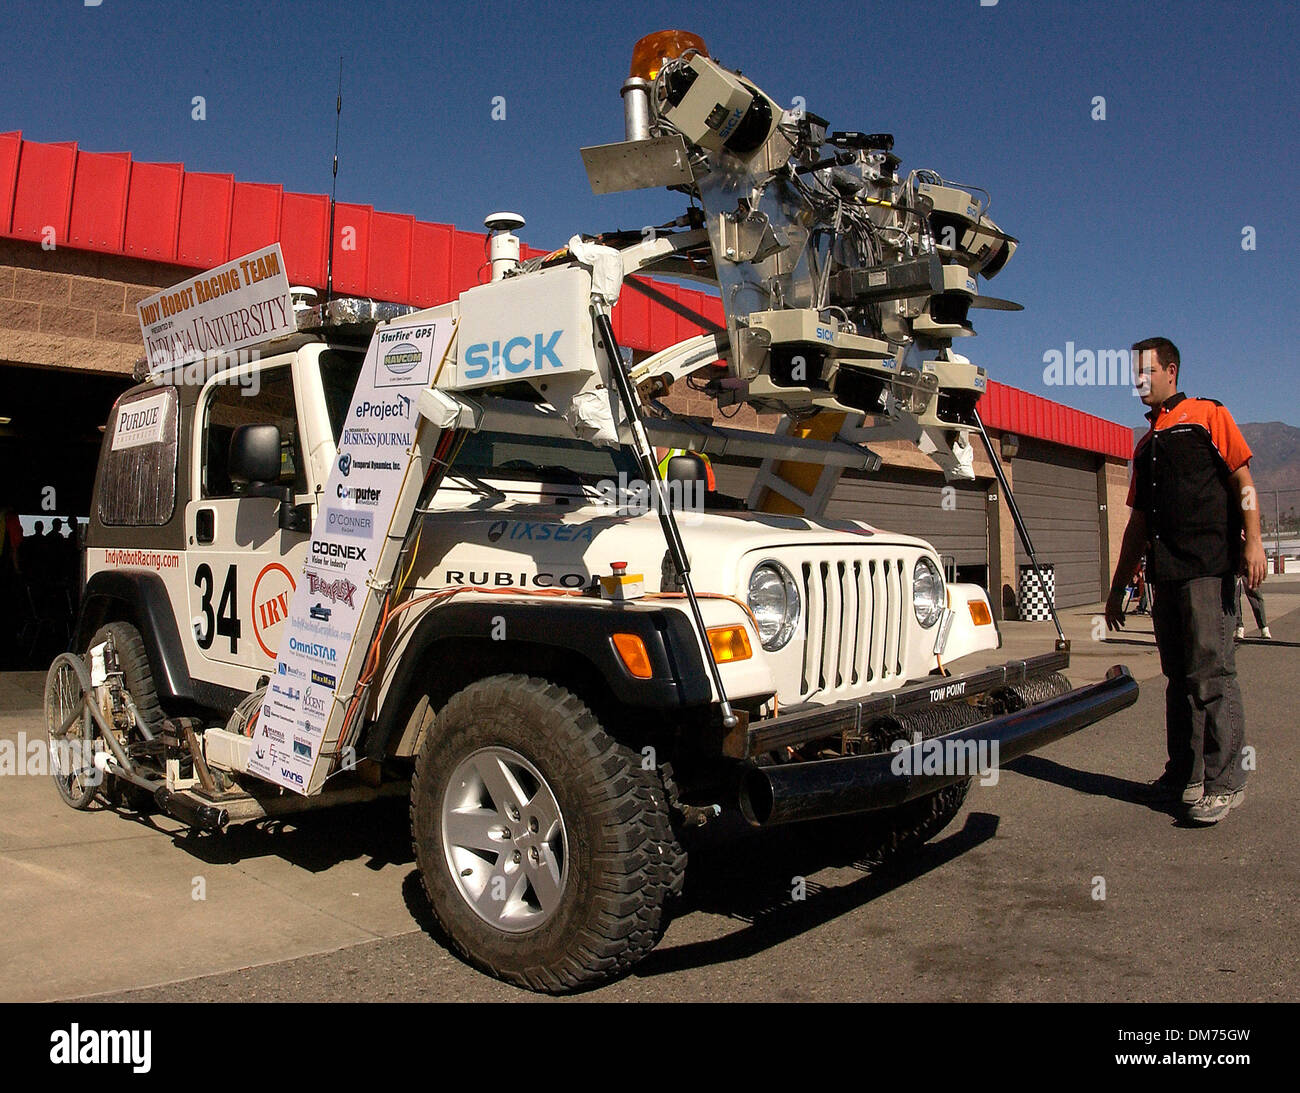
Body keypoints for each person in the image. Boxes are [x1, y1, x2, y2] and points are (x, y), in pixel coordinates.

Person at [1105, 337, 1265, 825]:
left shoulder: (1208, 416)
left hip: (1207, 567)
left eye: (1144, 373)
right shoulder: (1146, 444)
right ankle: (1184, 776)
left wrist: (1254, 542)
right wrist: (1117, 587)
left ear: (1170, 371)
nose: (1137, 383)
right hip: (1165, 575)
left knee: (1211, 675)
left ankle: (1225, 781)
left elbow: (1243, 481)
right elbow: (1136, 522)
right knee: (1178, 680)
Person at [1234, 572, 1271, 641]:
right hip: (1232, 566)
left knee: (1255, 594)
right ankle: (1239, 627)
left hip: (1248, 565)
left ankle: (1263, 626)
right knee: (1234, 596)